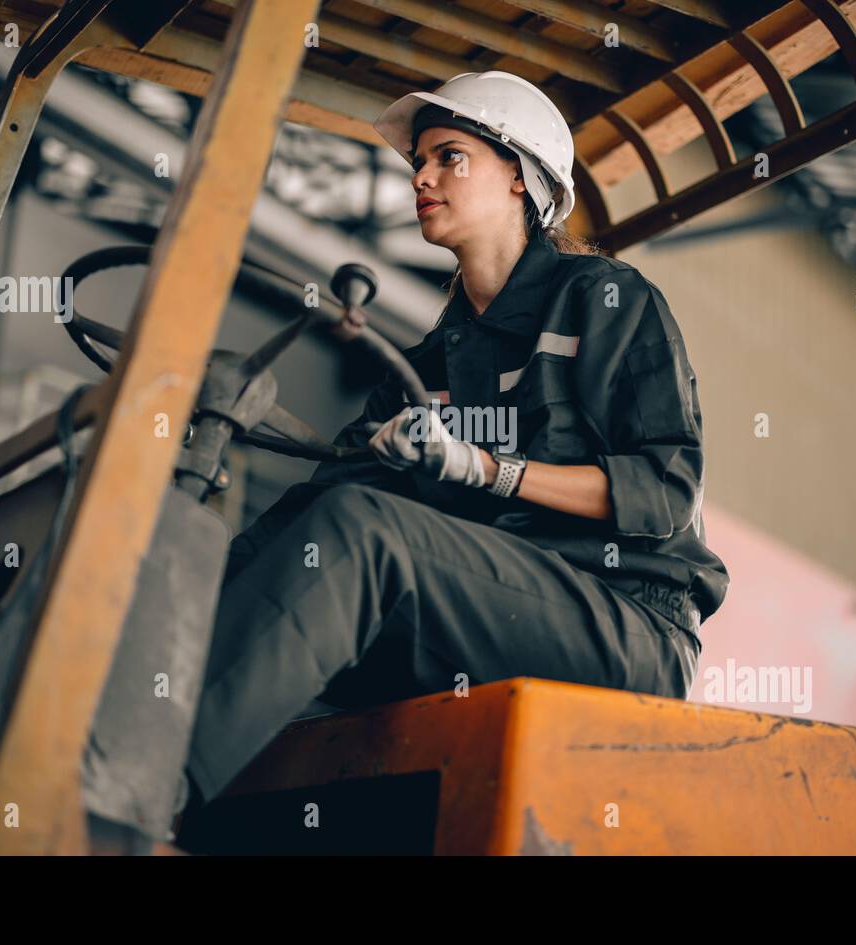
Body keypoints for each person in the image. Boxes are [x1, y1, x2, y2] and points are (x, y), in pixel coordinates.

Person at [176, 71, 729, 824]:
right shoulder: (427, 367)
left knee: (366, 534)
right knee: (279, 594)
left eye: (448, 155)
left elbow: (663, 492)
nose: (422, 177)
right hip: (490, 614)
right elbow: (327, 502)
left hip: (627, 622)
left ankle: (133, 791)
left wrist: (486, 469)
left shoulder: (605, 301)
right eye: (418, 163)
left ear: (519, 177)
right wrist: (195, 584)